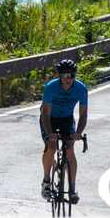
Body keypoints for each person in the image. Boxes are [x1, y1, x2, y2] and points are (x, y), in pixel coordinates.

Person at [39, 58, 88, 203]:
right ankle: (46, 182)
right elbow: (45, 113)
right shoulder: (50, 87)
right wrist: (50, 133)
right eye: (64, 76)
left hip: (66, 118)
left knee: (70, 150)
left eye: (71, 76)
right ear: (59, 76)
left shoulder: (81, 88)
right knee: (52, 146)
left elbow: (83, 114)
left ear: (75, 76)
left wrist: (78, 132)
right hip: (49, 119)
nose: (68, 79)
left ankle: (72, 188)